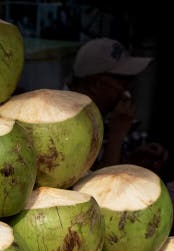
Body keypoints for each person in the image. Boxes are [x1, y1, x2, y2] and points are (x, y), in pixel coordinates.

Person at [68, 38, 168, 173]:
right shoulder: (67, 123)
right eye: (124, 83)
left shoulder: (96, 111)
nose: (127, 91)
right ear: (96, 85)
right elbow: (100, 186)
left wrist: (131, 160)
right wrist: (117, 134)